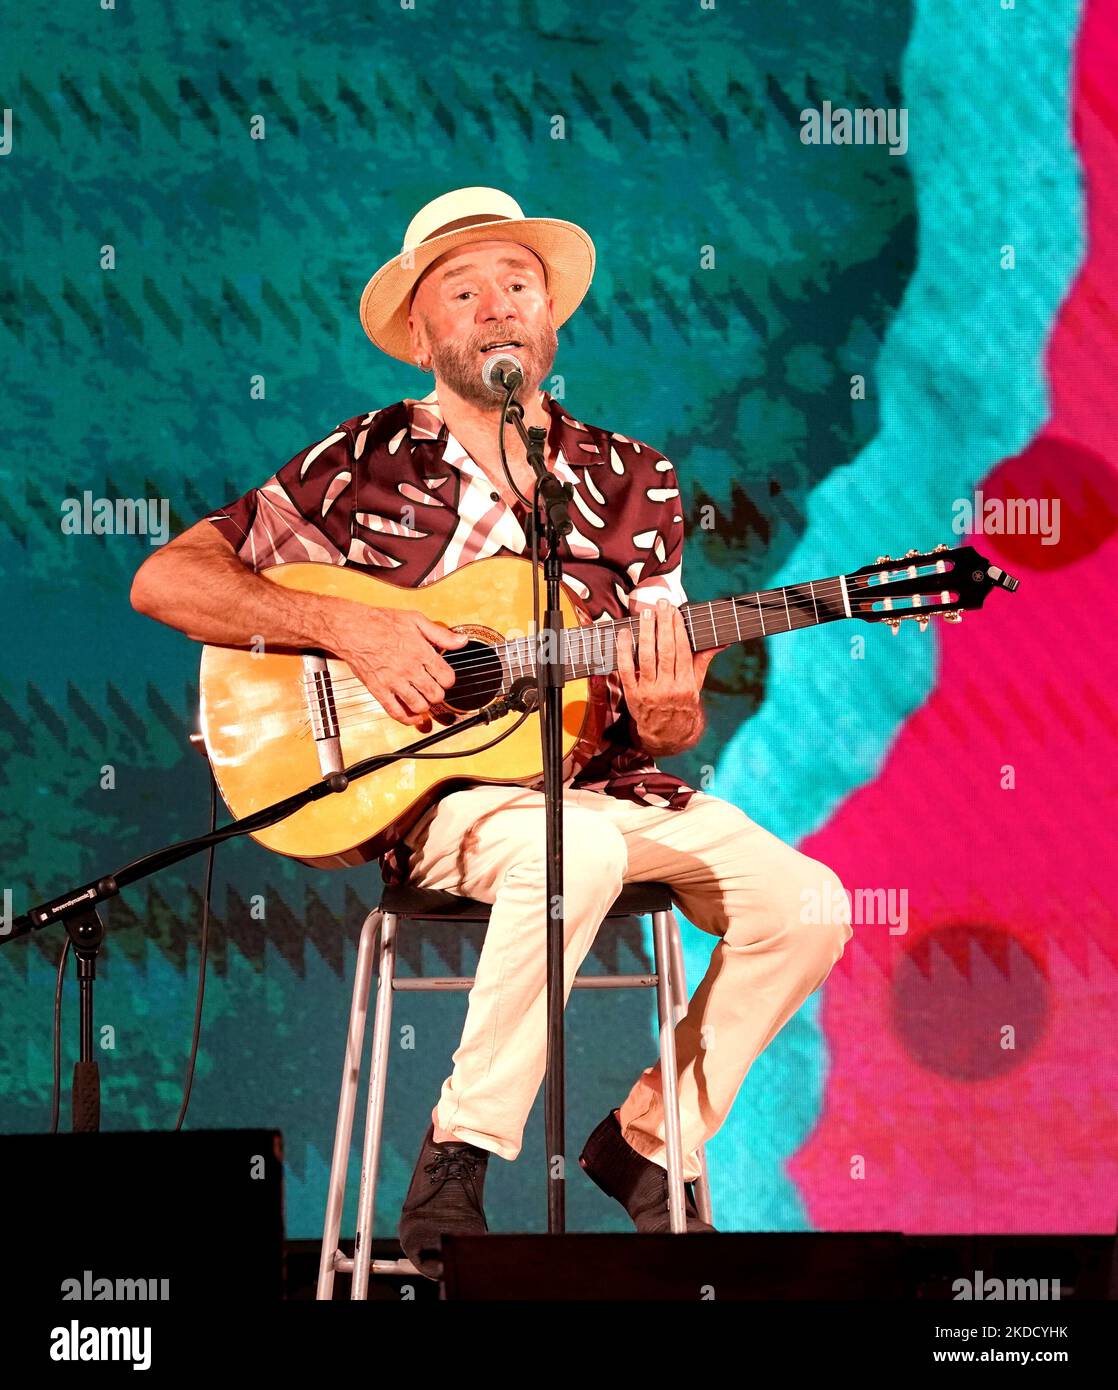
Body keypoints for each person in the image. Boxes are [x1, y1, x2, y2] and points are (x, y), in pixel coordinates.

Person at [130, 186, 853, 1279]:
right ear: (421, 333)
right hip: (434, 801)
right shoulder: (359, 461)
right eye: (462, 292)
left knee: (807, 901)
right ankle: (457, 1155)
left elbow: (662, 713)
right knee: (580, 852)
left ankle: (649, 1140)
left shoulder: (629, 479)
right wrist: (349, 630)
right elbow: (166, 578)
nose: (496, 308)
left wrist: (664, 705)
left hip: (602, 792)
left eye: (518, 285)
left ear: (550, 317)